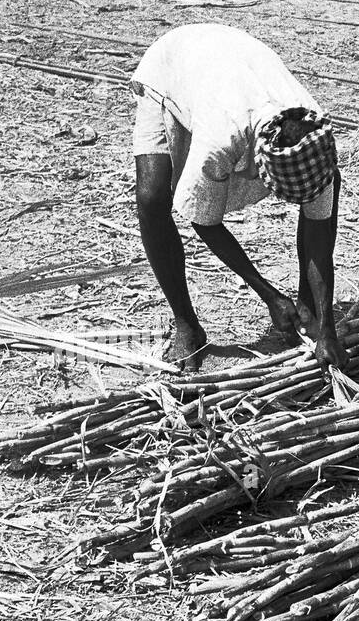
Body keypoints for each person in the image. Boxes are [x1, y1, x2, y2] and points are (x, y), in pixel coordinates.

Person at [130, 23, 346, 371]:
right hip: (174, 65)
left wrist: (327, 328)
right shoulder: (221, 138)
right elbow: (204, 220)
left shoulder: (315, 139)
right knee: (152, 199)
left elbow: (320, 233)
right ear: (259, 166)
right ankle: (186, 325)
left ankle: (308, 306)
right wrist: (269, 295)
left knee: (324, 206)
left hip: (232, 60)